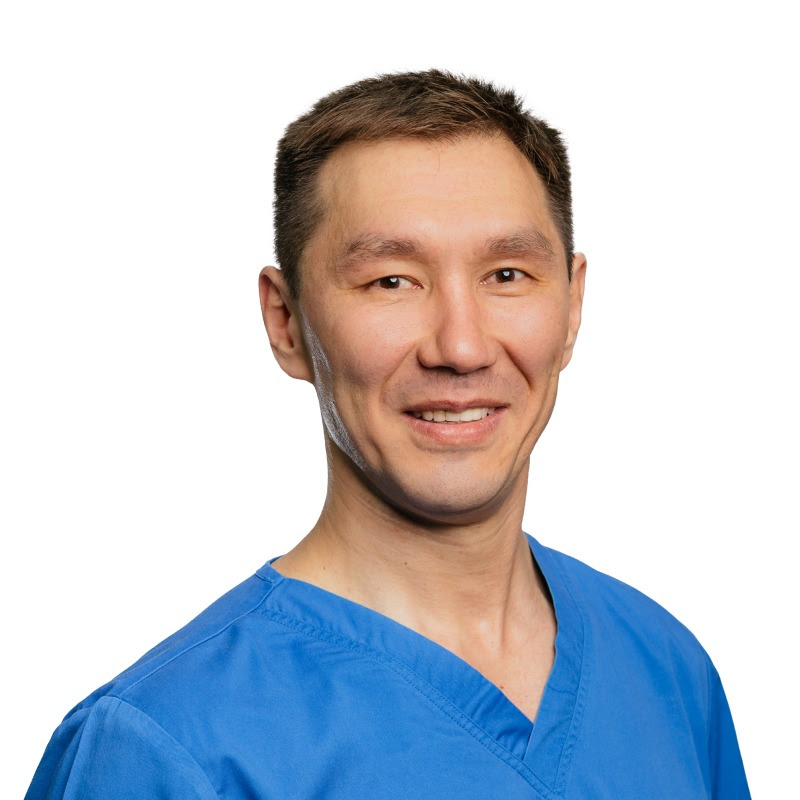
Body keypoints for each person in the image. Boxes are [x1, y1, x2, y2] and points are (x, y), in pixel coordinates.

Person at [25, 70, 750, 799]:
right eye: (391, 282)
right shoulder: (165, 744)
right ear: (286, 322)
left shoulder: (666, 671)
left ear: (572, 305)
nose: (461, 347)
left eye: (506, 274)